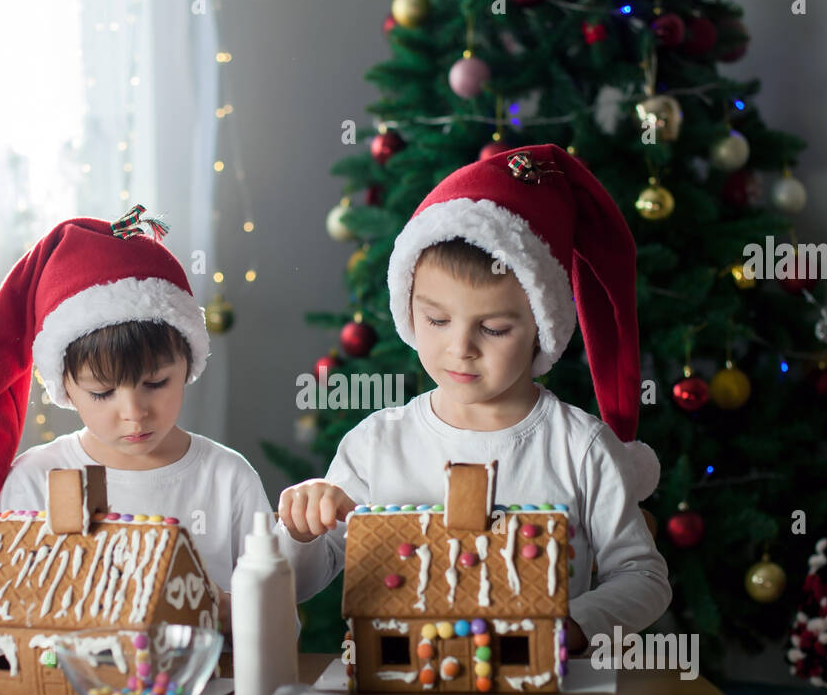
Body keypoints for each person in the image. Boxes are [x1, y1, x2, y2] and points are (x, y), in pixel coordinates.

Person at [277, 145, 670, 653]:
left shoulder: (580, 447)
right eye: (437, 320)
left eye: (494, 328)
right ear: (409, 310)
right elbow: (306, 579)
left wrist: (576, 623)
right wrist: (304, 528)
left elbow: (642, 575)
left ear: (540, 329)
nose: (460, 348)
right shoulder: (378, 443)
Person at [0, 204, 324, 633]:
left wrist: (226, 608)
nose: (133, 413)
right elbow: (2, 614)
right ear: (64, 387)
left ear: (189, 363)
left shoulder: (227, 478)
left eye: (156, 383)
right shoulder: (37, 480)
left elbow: (281, 623)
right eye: (103, 392)